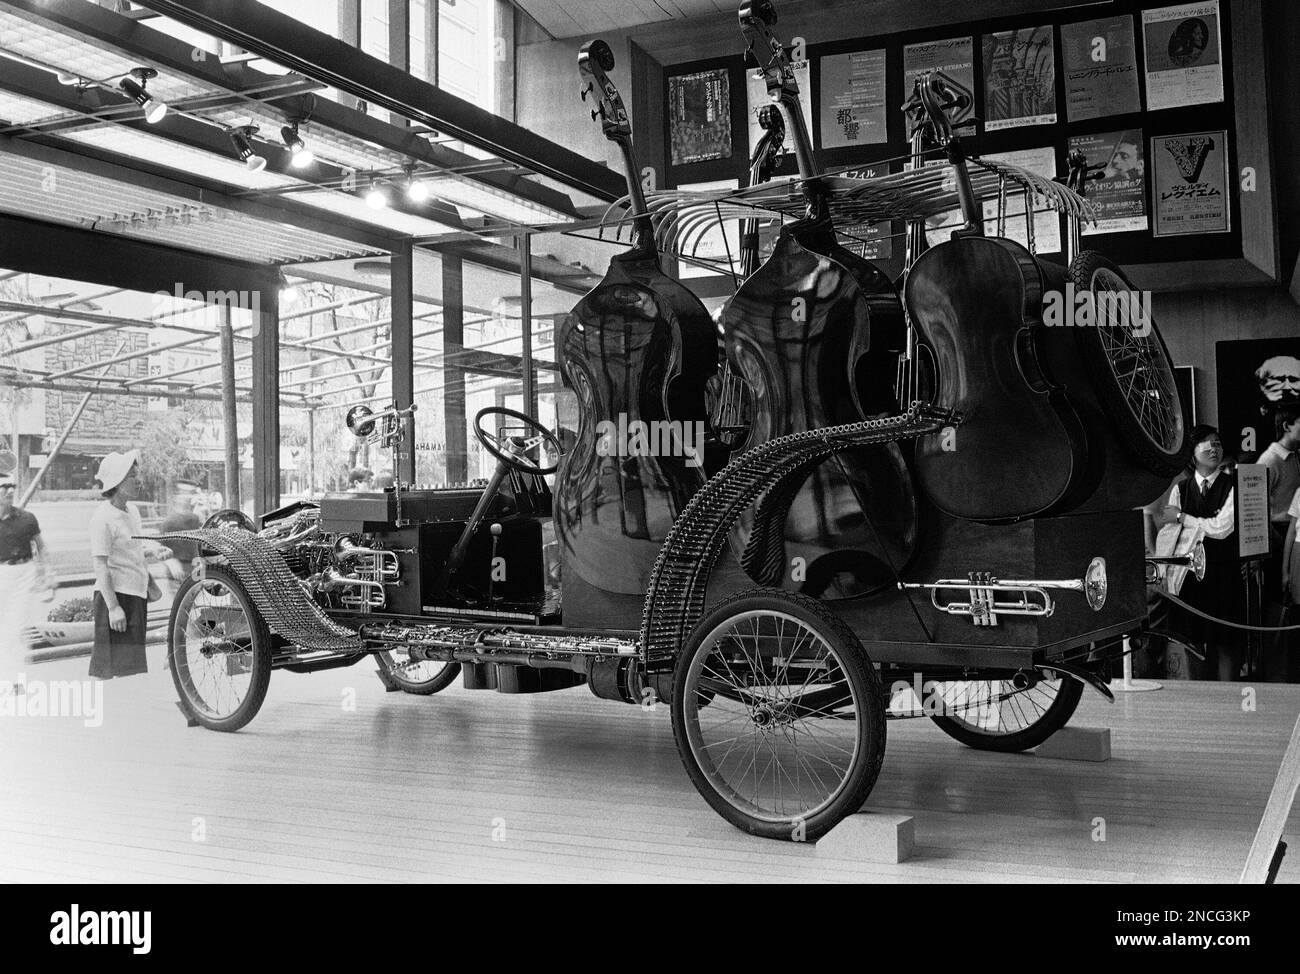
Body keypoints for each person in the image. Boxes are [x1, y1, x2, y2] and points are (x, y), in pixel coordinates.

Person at [1156, 426, 1243, 680]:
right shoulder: (1180, 489)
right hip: (1189, 577)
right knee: (1191, 640)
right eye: (1206, 444)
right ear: (1192, 454)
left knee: (1226, 640)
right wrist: (1163, 570)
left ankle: (1230, 700)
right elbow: (1169, 534)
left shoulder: (1232, 486)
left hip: (1223, 572)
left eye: (1217, 443)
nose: (1214, 448)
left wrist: (1184, 517)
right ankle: (1200, 695)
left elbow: (1222, 529)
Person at [88, 450, 154, 680]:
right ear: (117, 482)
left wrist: (155, 552)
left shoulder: (133, 511)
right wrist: (114, 608)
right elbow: (100, 565)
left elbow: (135, 549)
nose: (138, 480)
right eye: (132, 476)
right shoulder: (102, 518)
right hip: (115, 599)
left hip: (136, 595)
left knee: (131, 669)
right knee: (107, 669)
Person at [0, 474, 54, 691]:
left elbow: (42, 547)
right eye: (4, 486)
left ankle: (17, 681)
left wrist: (48, 574)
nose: (11, 490)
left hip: (24, 573)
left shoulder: (27, 519)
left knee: (18, 627)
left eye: (13, 485)